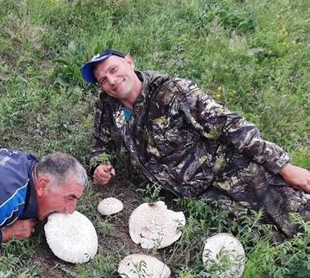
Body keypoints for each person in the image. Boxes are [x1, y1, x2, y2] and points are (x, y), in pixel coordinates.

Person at [81, 49, 310, 237]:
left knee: (302, 217)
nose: (111, 80)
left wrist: (284, 168)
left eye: (113, 69)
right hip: (205, 201)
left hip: (234, 172)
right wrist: (99, 165)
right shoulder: (107, 108)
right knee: (271, 243)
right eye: (103, 79)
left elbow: (230, 125)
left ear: (129, 62)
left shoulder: (173, 92)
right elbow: (99, 144)